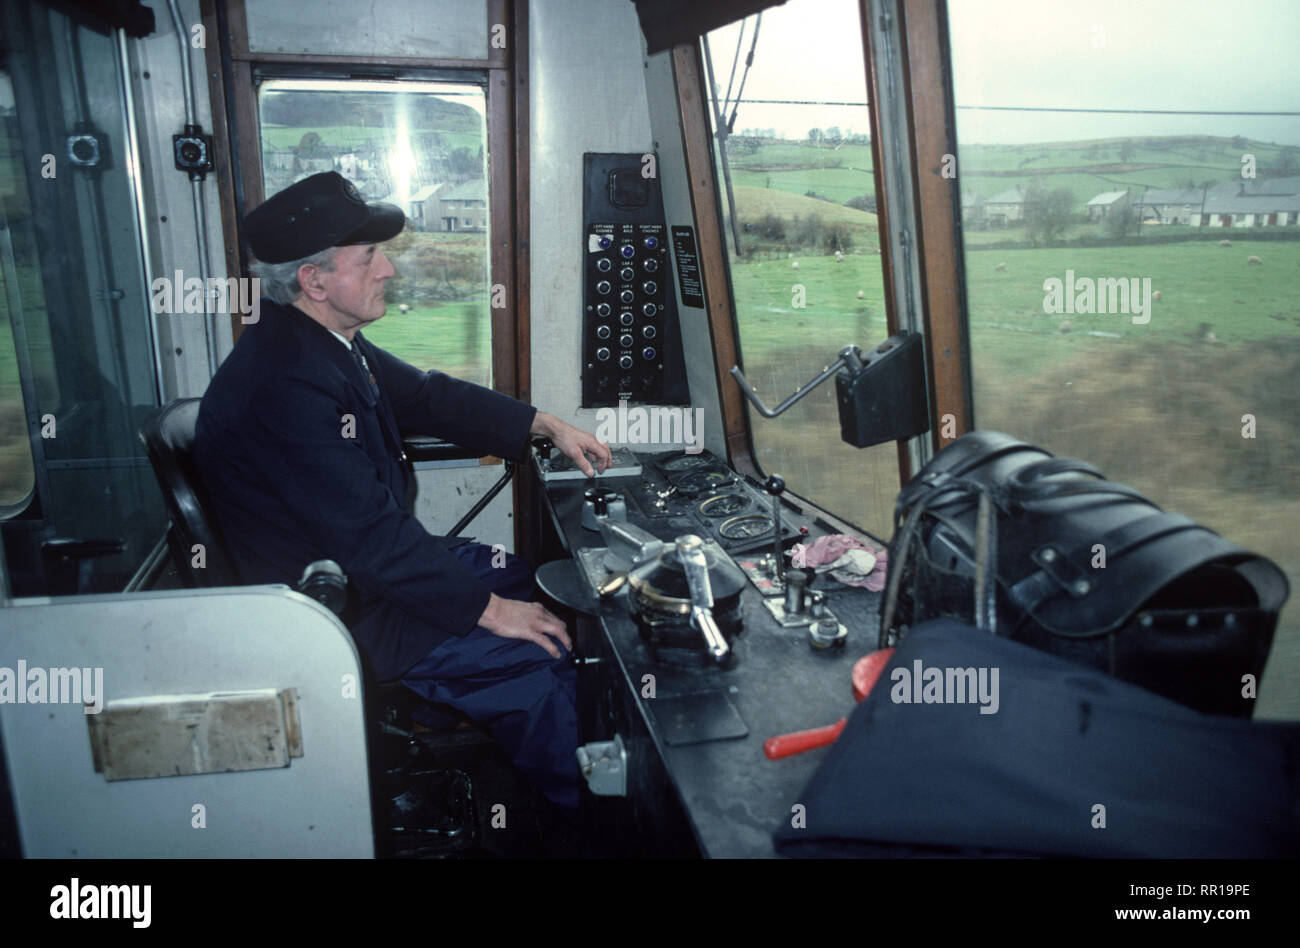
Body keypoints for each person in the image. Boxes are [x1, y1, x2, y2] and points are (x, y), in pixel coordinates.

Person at [194, 171, 612, 815]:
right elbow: (370, 540)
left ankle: (477, 727)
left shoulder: (324, 344)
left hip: (363, 574)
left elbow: (427, 396)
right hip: (336, 611)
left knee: (525, 577)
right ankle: (589, 819)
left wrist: (543, 422)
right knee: (539, 659)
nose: (388, 268)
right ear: (314, 281)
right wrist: (491, 613)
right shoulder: (283, 385)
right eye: (368, 258)